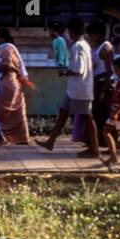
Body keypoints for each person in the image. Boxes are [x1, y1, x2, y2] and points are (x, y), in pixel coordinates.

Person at [39, 16, 100, 159]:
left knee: (88, 118)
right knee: (63, 112)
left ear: (71, 31)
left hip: (80, 89)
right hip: (74, 88)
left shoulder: (78, 47)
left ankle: (95, 150)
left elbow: (78, 69)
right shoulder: (82, 44)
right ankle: (50, 141)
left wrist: (65, 72)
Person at [0, 28, 31, 145]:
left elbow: (7, 66)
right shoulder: (10, 48)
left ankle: (2, 137)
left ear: (2, 38)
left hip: (8, 82)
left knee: (0, 109)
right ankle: (21, 138)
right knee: (17, 111)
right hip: (13, 81)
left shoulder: (6, 49)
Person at [87, 21, 115, 138]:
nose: (90, 37)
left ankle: (104, 140)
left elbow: (109, 71)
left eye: (91, 34)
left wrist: (103, 90)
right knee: (96, 113)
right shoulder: (97, 47)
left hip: (103, 83)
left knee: (102, 113)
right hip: (96, 82)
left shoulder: (105, 48)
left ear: (98, 34)